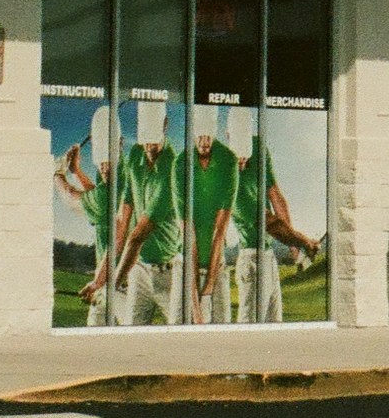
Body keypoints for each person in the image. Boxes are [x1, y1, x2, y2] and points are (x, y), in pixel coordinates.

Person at [231, 119, 321, 323]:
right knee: (250, 329)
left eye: (246, 157)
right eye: (238, 158)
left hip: (269, 257)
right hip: (251, 260)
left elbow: (276, 197)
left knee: (274, 323)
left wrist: (295, 249)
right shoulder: (231, 184)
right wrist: (302, 241)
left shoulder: (256, 147)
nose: (242, 162)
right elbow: (271, 223)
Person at [113, 100, 187, 324]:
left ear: (165, 125)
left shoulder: (174, 168)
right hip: (139, 270)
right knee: (131, 333)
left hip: (169, 274)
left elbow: (138, 235)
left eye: (155, 139)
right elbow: (125, 214)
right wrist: (115, 265)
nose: (150, 146)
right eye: (146, 138)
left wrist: (114, 281)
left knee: (179, 334)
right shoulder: (135, 155)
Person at [54, 104, 118, 325]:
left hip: (116, 280)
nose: (104, 167)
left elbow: (73, 199)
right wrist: (77, 171)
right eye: (100, 163)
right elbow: (96, 194)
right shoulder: (114, 183)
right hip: (108, 278)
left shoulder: (110, 191)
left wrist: (57, 174)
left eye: (108, 162)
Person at [188, 106, 243, 323]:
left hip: (216, 266)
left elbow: (220, 232)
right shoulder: (182, 163)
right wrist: (195, 302)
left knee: (221, 325)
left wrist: (208, 291)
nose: (204, 142)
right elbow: (188, 236)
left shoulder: (228, 161)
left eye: (208, 136)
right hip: (189, 263)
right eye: (199, 136)